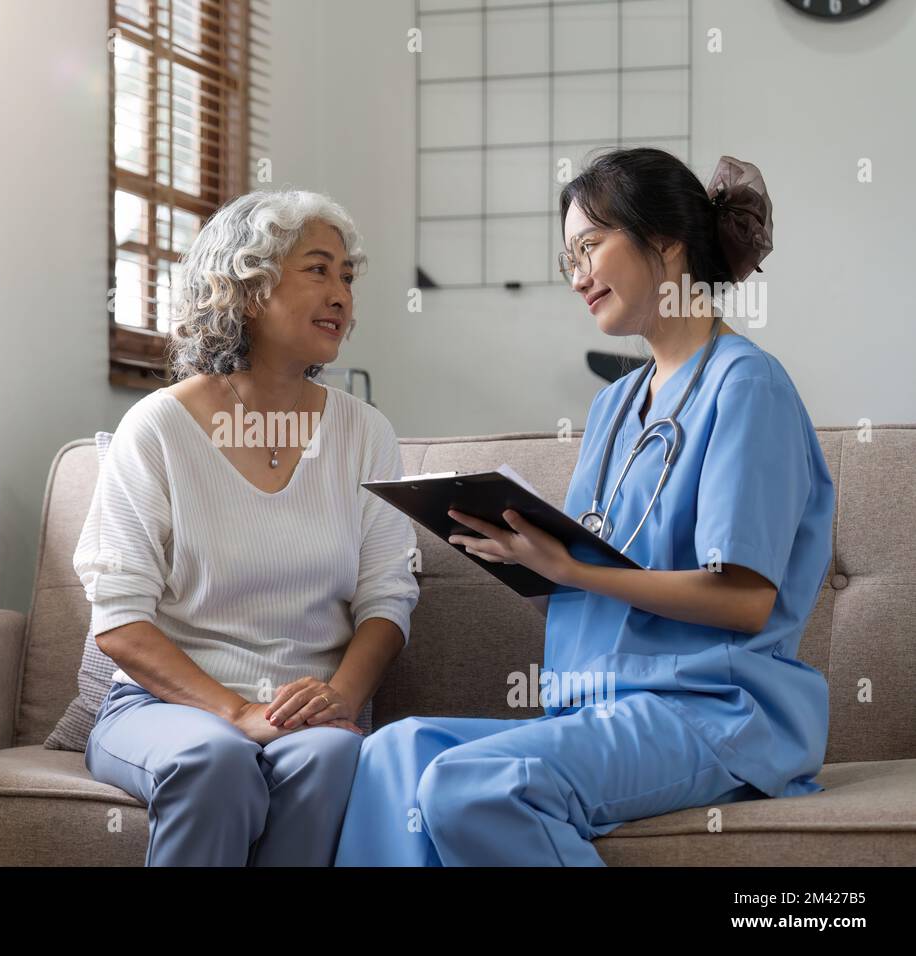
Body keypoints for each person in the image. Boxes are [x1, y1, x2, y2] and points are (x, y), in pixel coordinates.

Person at [334, 147, 835, 866]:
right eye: (567, 257)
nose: (576, 277)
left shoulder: (747, 386)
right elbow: (595, 569)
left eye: (590, 247)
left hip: (716, 714)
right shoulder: (612, 407)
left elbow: (746, 599)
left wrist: (571, 571)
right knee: (393, 754)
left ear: (666, 242)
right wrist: (522, 559)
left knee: (472, 787)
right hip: (601, 706)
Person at [77, 189, 420, 866]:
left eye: (347, 276)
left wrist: (340, 697)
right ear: (248, 288)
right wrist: (235, 714)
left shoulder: (364, 432)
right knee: (216, 761)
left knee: (330, 756)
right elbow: (118, 619)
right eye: (317, 270)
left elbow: (389, 597)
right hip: (161, 713)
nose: (341, 295)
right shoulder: (158, 428)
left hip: (307, 715)